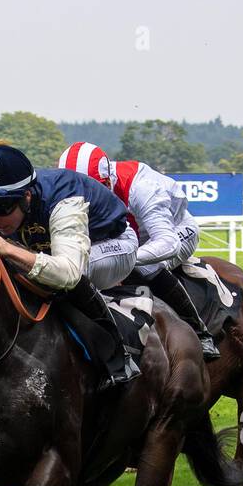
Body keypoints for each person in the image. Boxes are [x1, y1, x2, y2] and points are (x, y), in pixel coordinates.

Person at [0, 142, 141, 387]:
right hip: (50, 245)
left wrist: (8, 248)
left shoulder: (64, 201)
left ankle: (118, 359)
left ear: (26, 197)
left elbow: (68, 273)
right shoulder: (0, 207)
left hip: (113, 243)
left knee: (61, 282)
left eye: (2, 208)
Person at [58, 141, 219, 358]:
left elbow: (168, 242)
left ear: (105, 183)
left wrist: (123, 259)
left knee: (145, 267)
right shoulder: (77, 182)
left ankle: (201, 333)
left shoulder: (141, 187)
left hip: (175, 232)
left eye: (90, 190)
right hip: (127, 236)